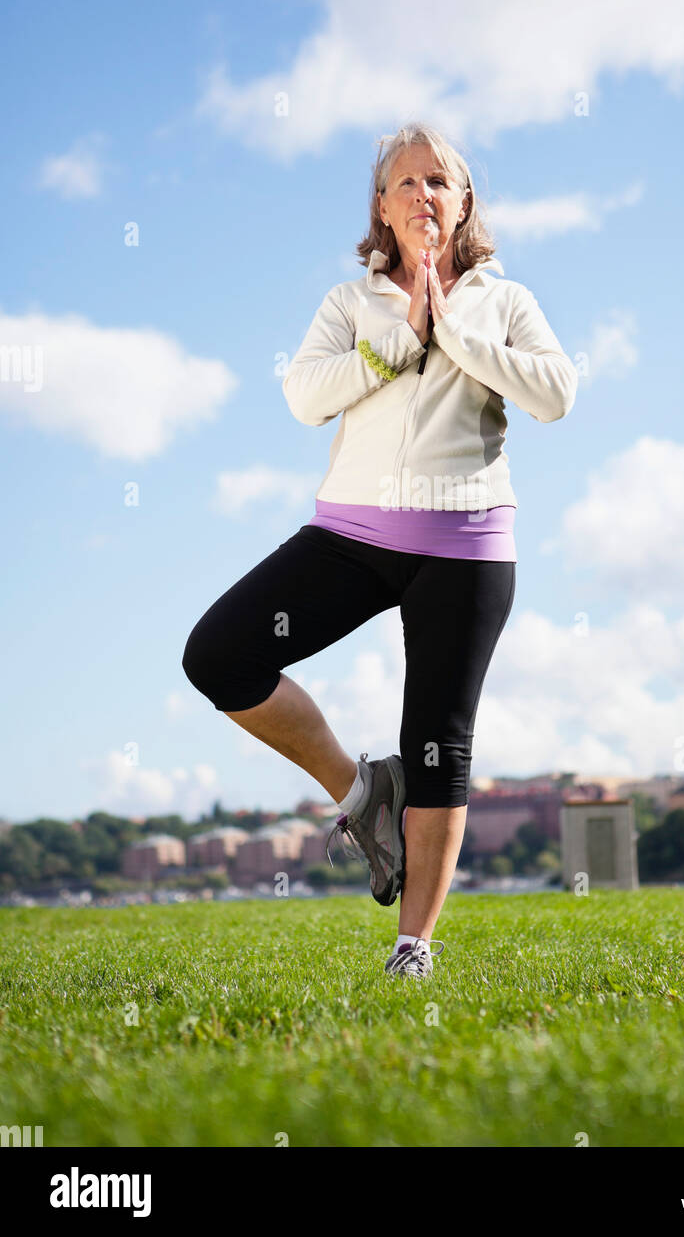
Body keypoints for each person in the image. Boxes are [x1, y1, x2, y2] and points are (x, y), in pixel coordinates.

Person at [182, 121, 578, 978]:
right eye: (406, 183)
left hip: (466, 545)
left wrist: (456, 333)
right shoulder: (348, 303)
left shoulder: (505, 300)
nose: (424, 195)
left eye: (440, 181)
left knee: (438, 741)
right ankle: (363, 796)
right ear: (382, 207)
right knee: (218, 655)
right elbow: (303, 397)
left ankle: (413, 948)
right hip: (350, 535)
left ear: (463, 201)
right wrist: (399, 336)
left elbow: (555, 395)